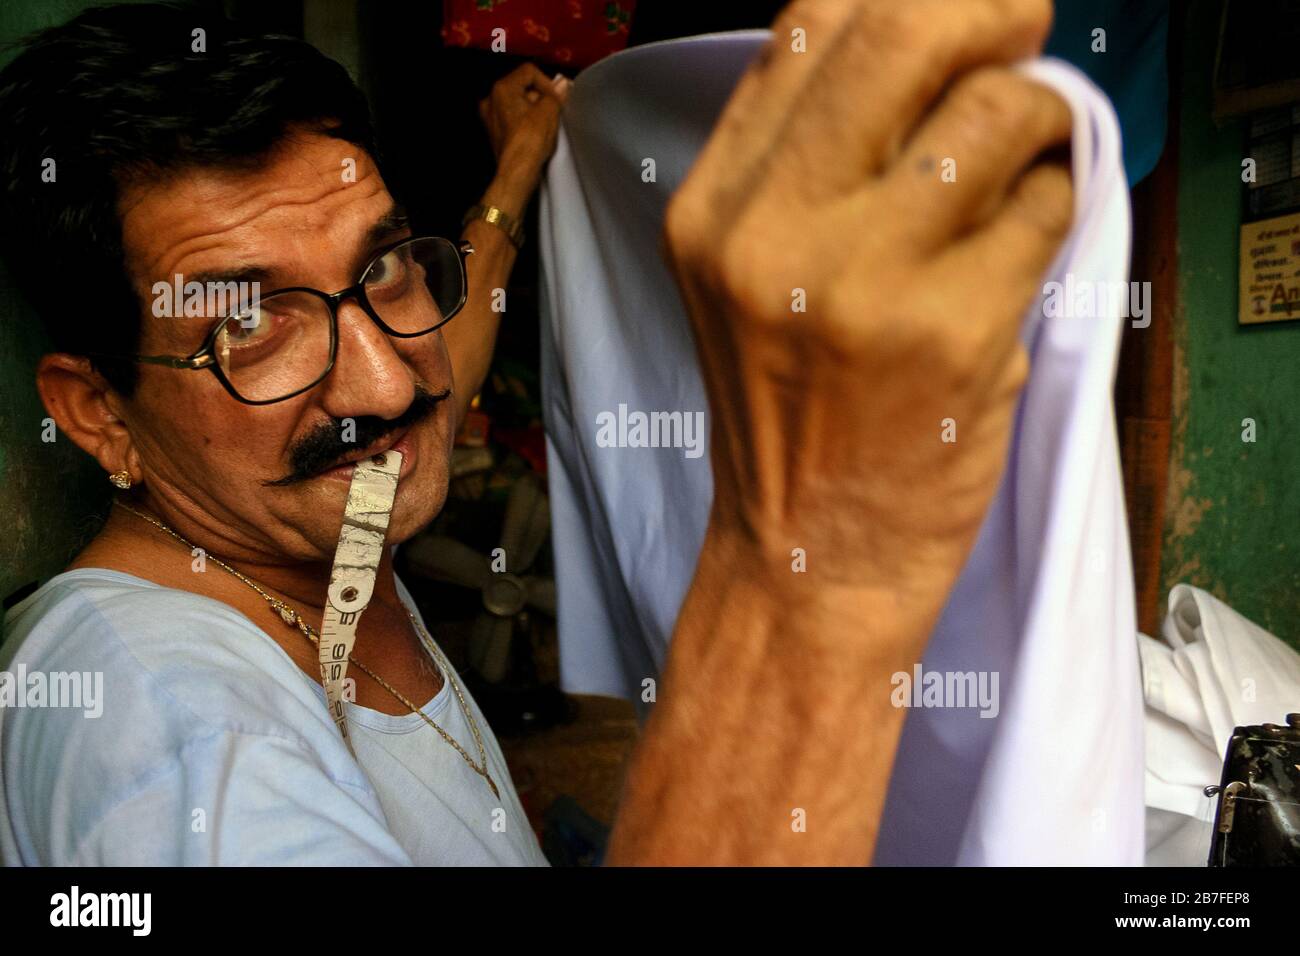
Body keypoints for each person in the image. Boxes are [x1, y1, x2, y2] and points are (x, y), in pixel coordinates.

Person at [0, 0, 1072, 865]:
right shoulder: (170, 731)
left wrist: (518, 167)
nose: (386, 381)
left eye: (381, 262)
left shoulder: (321, 518)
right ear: (97, 414)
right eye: (249, 323)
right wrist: (815, 559)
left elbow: (436, 375)